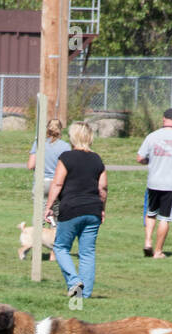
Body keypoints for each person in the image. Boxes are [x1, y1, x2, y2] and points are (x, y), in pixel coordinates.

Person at [43, 121, 107, 299]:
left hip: (71, 208)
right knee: (87, 253)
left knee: (61, 247)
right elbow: (103, 188)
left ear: (73, 137)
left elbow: (57, 183)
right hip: (93, 209)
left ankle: (73, 282)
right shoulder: (97, 159)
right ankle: (83, 297)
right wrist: (102, 209)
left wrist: (48, 207)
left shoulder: (67, 157)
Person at [136, 107, 172, 259]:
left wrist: (150, 160)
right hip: (171, 184)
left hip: (153, 182)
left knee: (150, 214)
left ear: (163, 119)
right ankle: (158, 251)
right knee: (164, 217)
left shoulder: (152, 136)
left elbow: (140, 158)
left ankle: (148, 241)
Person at [27, 118, 70, 219]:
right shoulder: (65, 146)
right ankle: (54, 233)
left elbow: (31, 165)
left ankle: (38, 234)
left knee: (39, 216)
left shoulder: (39, 143)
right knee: (56, 215)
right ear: (61, 130)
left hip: (41, 182)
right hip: (57, 183)